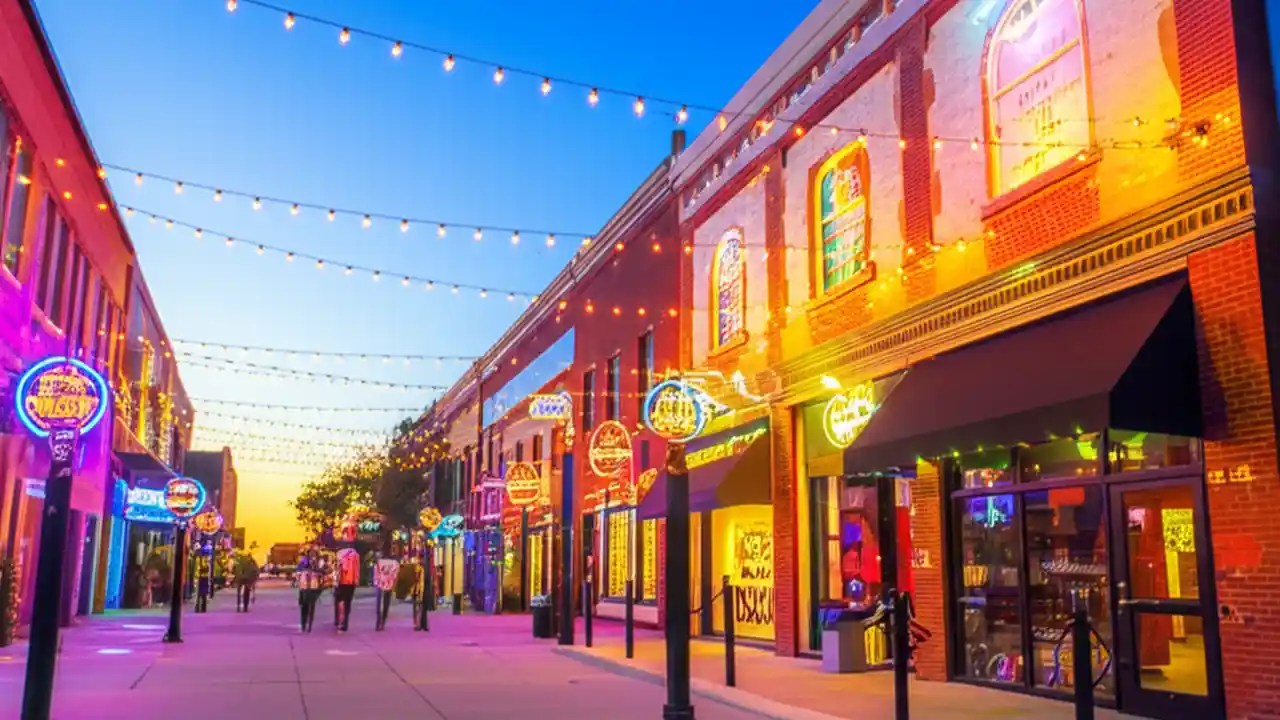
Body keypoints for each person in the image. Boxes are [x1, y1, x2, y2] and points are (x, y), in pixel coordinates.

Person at [373, 552, 400, 631]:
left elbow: (375, 576)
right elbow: (395, 575)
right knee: (385, 604)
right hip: (388, 585)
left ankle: (379, 623)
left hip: (381, 585)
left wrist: (377, 583)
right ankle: (382, 623)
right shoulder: (393, 563)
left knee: (380, 605)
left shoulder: (378, 563)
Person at [335, 546, 360, 632]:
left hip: (341, 581)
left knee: (339, 601)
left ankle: (339, 621)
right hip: (351, 582)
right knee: (348, 602)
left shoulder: (339, 554)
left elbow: (337, 568)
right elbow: (357, 569)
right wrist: (356, 580)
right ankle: (345, 623)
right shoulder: (356, 555)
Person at [296, 550, 322, 631]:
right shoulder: (304, 561)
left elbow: (322, 572)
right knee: (305, 606)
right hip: (306, 586)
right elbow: (298, 573)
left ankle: (307, 624)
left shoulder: (318, 563)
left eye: (313, 554)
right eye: (311, 554)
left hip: (312, 587)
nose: (312, 556)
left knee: (309, 606)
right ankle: (304, 624)